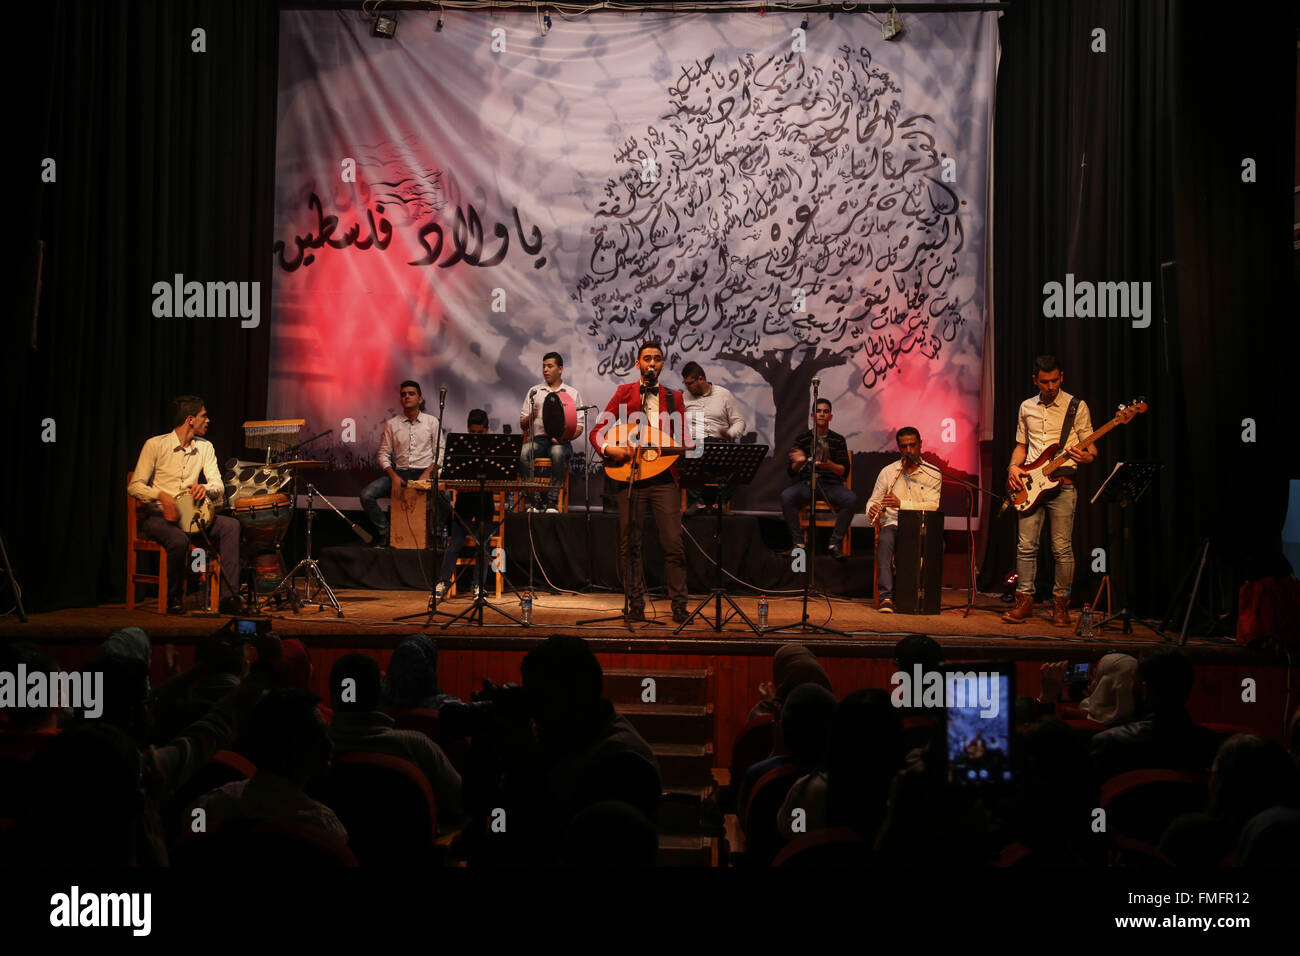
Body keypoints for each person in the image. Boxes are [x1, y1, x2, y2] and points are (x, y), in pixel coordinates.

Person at [591, 341, 691, 623]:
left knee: (673, 542)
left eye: (657, 359)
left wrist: (689, 447)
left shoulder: (675, 398)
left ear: (662, 365)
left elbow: (684, 440)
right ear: (638, 364)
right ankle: (635, 604)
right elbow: (597, 432)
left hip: (664, 479)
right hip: (630, 474)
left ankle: (679, 606)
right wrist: (609, 450)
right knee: (630, 543)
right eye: (647, 358)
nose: (652, 363)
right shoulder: (624, 393)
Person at [1004, 356, 1097, 627]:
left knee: (1062, 549)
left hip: (1063, 485)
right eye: (1045, 382)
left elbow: (1091, 448)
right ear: (1035, 381)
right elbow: (1022, 446)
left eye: (1055, 380)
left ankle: (1061, 605)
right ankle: (1024, 602)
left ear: (1062, 376)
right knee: (1026, 547)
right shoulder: (1026, 407)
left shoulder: (1076, 406)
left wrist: (1087, 457)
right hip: (1031, 485)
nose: (1051, 386)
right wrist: (1013, 467)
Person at [128, 395, 242, 614]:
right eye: (204, 416)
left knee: (231, 526)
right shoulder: (155, 445)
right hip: (162, 517)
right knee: (178, 540)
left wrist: (204, 488)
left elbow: (217, 484)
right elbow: (135, 486)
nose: (208, 420)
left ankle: (229, 598)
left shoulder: (205, 447)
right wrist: (161, 495)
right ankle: (174, 598)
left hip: (193, 514)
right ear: (191, 419)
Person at [327, 653, 464, 832]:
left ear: (332, 696)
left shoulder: (312, 750)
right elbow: (464, 804)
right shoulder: (418, 747)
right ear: (381, 692)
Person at [866, 427, 943, 611]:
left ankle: (924, 596)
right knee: (885, 539)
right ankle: (886, 597)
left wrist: (902, 503)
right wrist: (872, 509)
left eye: (912, 445)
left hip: (921, 525)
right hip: (894, 524)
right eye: (904, 447)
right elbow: (872, 501)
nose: (908, 451)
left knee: (939, 544)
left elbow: (933, 506)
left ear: (920, 445)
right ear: (899, 448)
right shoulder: (888, 472)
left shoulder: (933, 472)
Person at [360, 380, 444, 547]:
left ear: (420, 399)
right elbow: (383, 454)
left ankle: (436, 533)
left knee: (446, 497)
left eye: (411, 393)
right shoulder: (392, 424)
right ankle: (385, 532)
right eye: (403, 394)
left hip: (425, 472)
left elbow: (441, 451)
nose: (407, 397)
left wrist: (428, 472)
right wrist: (394, 476)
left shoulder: (432, 422)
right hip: (400, 473)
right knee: (366, 495)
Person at [781, 398, 855, 559]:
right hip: (807, 484)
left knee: (850, 499)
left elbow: (844, 471)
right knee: (787, 496)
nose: (822, 414)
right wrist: (799, 462)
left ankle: (834, 544)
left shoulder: (838, 439)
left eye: (825, 411)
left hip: (831, 485)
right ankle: (798, 544)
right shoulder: (802, 439)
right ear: (812, 415)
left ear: (830, 416)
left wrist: (829, 465)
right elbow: (791, 472)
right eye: (819, 411)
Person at [436, 409, 497, 600]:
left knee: (483, 542)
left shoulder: (494, 449)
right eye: (472, 433)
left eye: (480, 434)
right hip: (464, 498)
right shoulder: (460, 446)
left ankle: (479, 586)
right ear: (467, 430)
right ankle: (443, 582)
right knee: (455, 541)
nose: (476, 437)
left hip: (484, 498)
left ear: (487, 430)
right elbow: (450, 472)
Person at [519, 352, 585, 513]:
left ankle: (551, 501)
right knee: (523, 452)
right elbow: (522, 424)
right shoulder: (535, 392)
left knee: (557, 452)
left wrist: (564, 438)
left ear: (560, 369)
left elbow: (580, 426)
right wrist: (531, 416)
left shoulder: (571, 393)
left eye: (550, 366)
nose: (545, 370)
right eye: (543, 366)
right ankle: (535, 500)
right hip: (539, 440)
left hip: (561, 442)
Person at [680, 361, 746, 516]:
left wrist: (730, 433)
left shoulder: (724, 394)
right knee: (688, 454)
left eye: (689, 383)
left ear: (701, 379)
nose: (687, 387)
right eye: (685, 384)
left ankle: (720, 502)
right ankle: (697, 502)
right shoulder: (684, 397)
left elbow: (739, 421)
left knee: (743, 462)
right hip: (696, 442)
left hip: (720, 441)